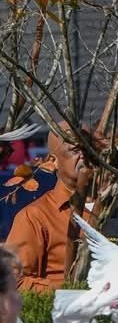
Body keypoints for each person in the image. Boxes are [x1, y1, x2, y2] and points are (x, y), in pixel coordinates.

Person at [5, 124, 92, 292]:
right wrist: (73, 291)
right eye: (75, 150)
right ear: (53, 161)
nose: (84, 156)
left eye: (89, 149)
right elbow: (14, 281)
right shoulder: (35, 216)